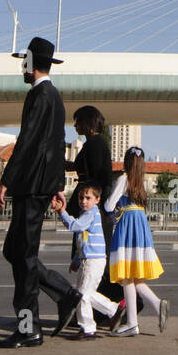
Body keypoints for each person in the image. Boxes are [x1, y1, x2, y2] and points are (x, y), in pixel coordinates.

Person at [0, 37, 82, 348]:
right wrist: (56, 185)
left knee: (24, 257)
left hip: (30, 186)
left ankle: (29, 328)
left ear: (31, 64)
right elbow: (56, 145)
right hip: (40, 185)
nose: (22, 67)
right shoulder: (54, 97)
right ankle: (63, 292)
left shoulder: (39, 96)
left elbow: (28, 140)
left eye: (24, 62)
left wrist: (6, 179)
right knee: (15, 253)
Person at [67, 106, 125, 316]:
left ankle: (112, 308)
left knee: (90, 263)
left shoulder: (96, 144)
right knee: (88, 263)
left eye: (78, 122)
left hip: (92, 211)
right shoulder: (94, 144)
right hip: (91, 206)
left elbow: (98, 178)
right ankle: (92, 312)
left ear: (88, 123)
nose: (75, 126)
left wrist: (88, 203)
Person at [105, 147, 169, 336]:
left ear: (126, 162)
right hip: (140, 227)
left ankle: (134, 322)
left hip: (127, 227)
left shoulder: (123, 180)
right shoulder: (140, 183)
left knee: (127, 276)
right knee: (133, 277)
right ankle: (155, 307)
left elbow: (109, 205)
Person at [50, 181, 119, 339]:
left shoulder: (90, 213)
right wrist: (76, 260)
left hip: (93, 260)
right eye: (81, 197)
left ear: (97, 199)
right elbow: (83, 240)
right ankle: (114, 310)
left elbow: (75, 227)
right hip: (88, 259)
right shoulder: (87, 213)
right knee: (84, 294)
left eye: (88, 197)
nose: (83, 201)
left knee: (82, 295)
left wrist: (62, 212)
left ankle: (88, 328)